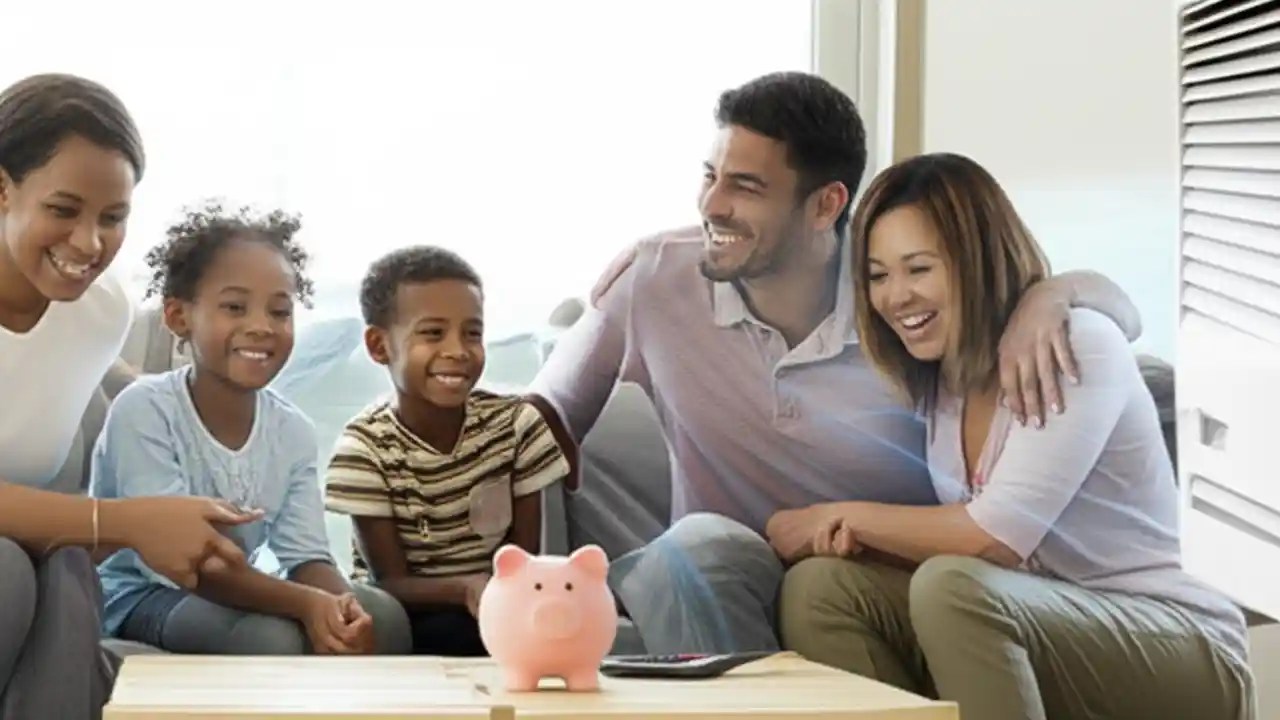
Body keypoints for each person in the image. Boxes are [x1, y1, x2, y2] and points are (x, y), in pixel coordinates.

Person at [527, 71, 1143, 655]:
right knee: (684, 554)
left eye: (745, 186)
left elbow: (1107, 321)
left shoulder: (898, 295)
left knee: (835, 588)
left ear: (826, 205)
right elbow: (538, 422)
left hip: (894, 581)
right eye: (711, 176)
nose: (712, 205)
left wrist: (1054, 294)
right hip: (732, 575)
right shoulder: (655, 279)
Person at [777, 153, 1254, 719]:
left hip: (1179, 645)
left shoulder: (1074, 343)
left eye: (919, 268)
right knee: (822, 589)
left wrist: (839, 515)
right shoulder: (942, 380)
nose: (895, 296)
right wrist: (830, 535)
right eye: (879, 276)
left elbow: (995, 539)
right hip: (1044, 620)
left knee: (953, 586)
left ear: (977, 260)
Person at [0, 73, 262, 719]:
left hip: (28, 565)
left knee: (65, 578)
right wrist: (123, 522)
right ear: (2, 190)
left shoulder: (98, 311)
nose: (90, 244)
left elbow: (105, 395)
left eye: (112, 218)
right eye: (63, 210)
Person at [91, 201, 411, 656]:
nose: (261, 327)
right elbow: (192, 563)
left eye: (280, 312)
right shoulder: (144, 410)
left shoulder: (292, 431)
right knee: (271, 638)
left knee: (382, 617)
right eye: (235, 307)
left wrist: (339, 606)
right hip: (142, 594)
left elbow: (306, 557)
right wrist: (305, 604)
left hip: (234, 590)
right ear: (179, 316)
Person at [323, 246, 572, 656]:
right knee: (446, 633)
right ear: (379, 345)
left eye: (472, 332)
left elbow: (522, 558)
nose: (458, 350)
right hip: (411, 609)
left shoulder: (516, 426)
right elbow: (387, 582)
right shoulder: (363, 450)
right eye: (433, 333)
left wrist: (497, 594)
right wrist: (464, 589)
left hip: (498, 601)